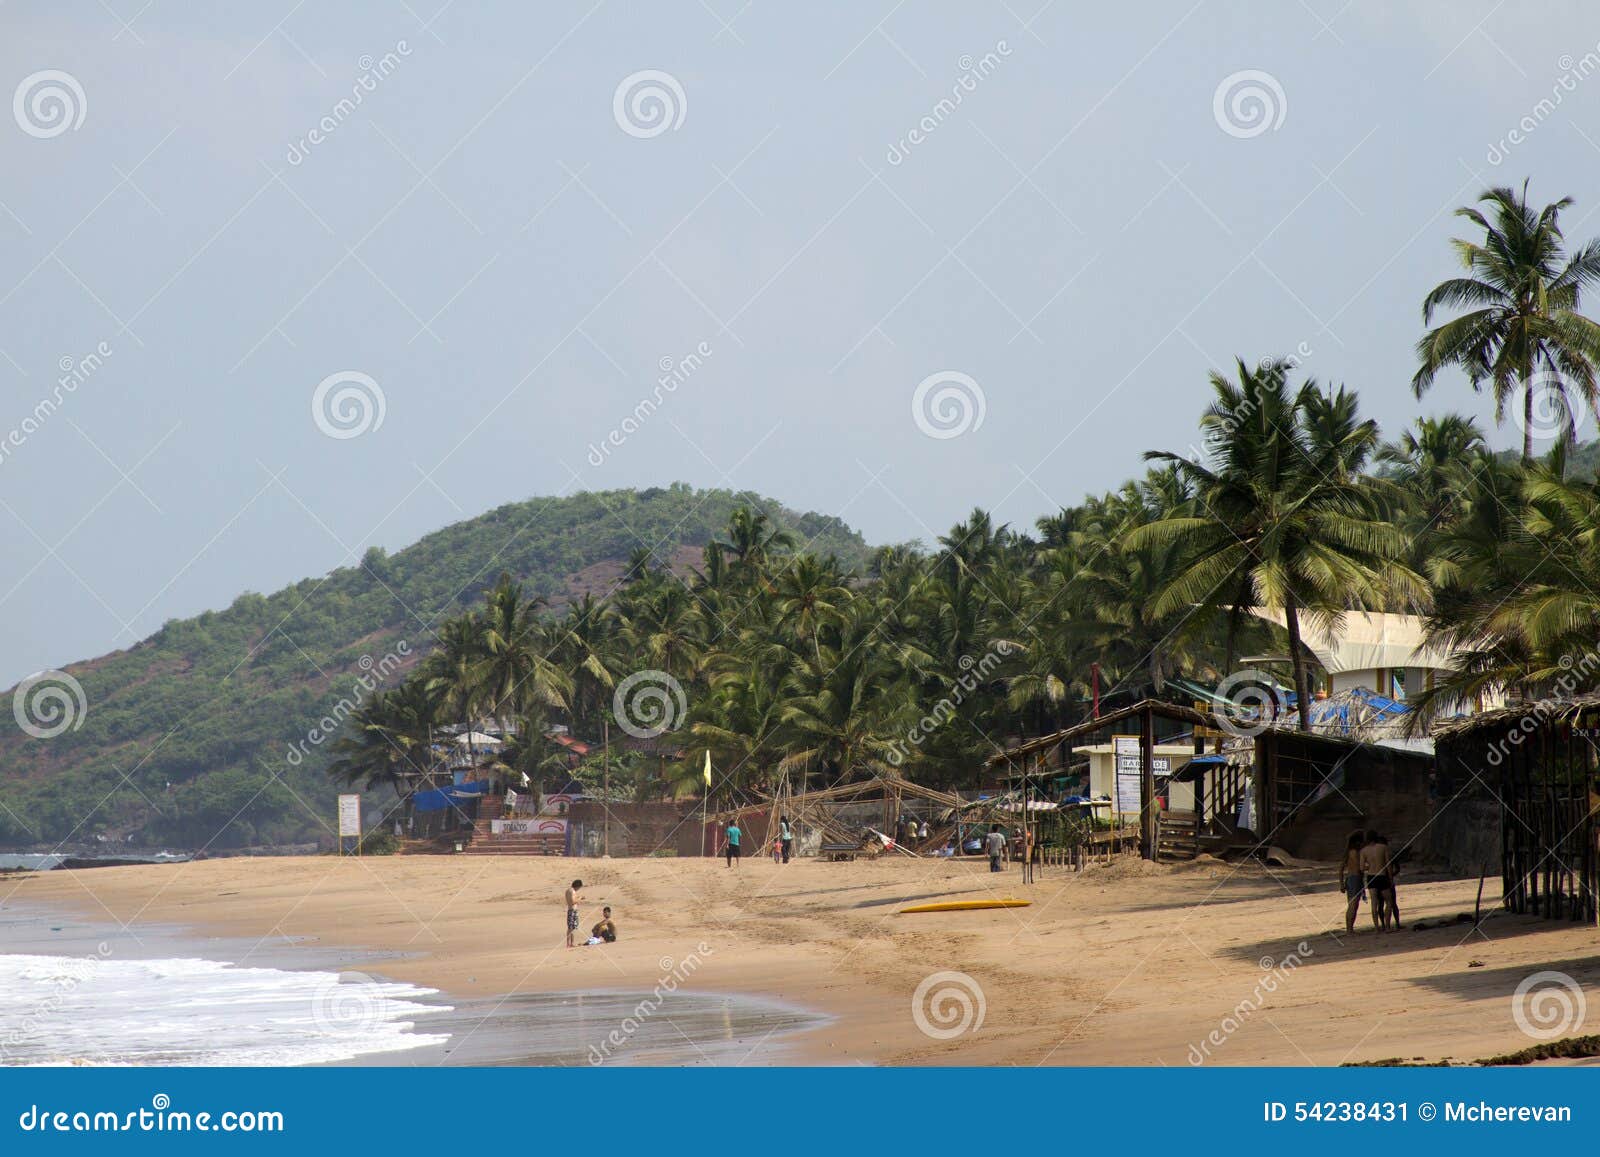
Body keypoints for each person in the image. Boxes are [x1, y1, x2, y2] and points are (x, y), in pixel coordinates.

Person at [1359, 830, 1395, 932]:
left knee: (1374, 903)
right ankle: (1387, 926)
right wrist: (1391, 878)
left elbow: (1361, 868)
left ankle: (1376, 928)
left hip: (1371, 877)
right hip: (1382, 875)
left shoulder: (1364, 851)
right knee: (1389, 901)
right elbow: (1388, 864)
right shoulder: (1383, 847)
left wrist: (1369, 866)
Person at [1338, 830, 1365, 933]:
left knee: (1353, 905)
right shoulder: (1354, 852)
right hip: (1355, 879)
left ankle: (1350, 929)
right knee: (1353, 905)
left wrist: (1341, 883)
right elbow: (1360, 867)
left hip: (1351, 879)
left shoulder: (1348, 852)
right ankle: (1349, 930)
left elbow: (1340, 869)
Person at [564, 879, 584, 948]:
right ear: (577, 886)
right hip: (572, 911)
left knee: (572, 927)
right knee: (570, 928)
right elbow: (573, 902)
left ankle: (571, 943)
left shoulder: (568, 890)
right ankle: (569, 943)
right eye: (579, 887)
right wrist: (580, 898)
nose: (579, 889)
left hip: (571, 910)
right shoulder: (572, 891)